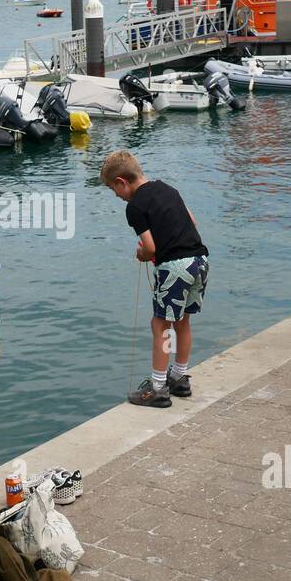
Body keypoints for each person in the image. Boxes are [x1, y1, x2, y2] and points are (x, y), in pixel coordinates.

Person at [101, 150, 209, 408]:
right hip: (200, 261)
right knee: (183, 320)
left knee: (160, 324)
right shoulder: (168, 188)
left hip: (175, 267)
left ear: (122, 182)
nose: (116, 195)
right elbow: (192, 220)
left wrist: (142, 254)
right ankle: (179, 378)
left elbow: (149, 247)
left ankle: (158, 387)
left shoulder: (135, 206)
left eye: (113, 190)